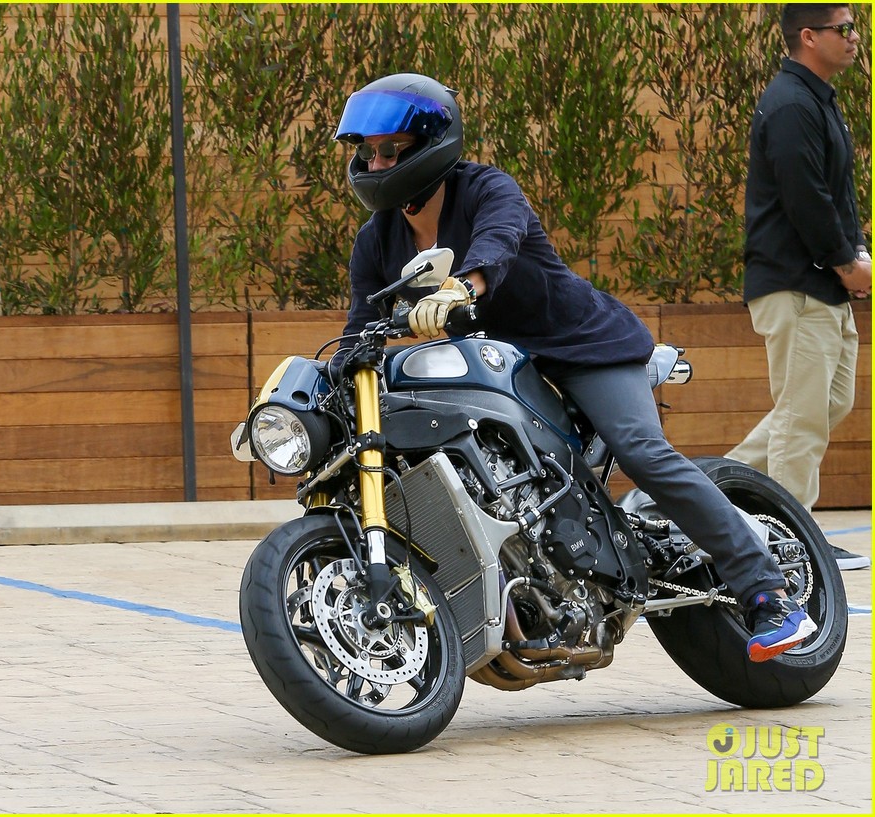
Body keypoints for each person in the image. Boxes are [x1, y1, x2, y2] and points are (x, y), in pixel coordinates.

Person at [332, 72, 815, 662]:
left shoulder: (486, 190)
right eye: (368, 153)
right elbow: (360, 327)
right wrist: (332, 375)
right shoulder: (376, 241)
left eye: (391, 150)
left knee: (642, 452)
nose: (377, 164)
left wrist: (461, 287)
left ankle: (768, 594)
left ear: (432, 146)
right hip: (496, 368)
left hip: (581, 347)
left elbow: (498, 244)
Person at [725, 4, 871, 571]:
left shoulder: (817, 101)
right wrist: (845, 263)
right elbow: (804, 195)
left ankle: (706, 491)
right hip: (796, 283)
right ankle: (795, 541)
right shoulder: (790, 103)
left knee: (825, 404)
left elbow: (837, 194)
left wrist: (855, 254)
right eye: (845, 29)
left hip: (821, 284)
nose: (855, 38)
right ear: (808, 36)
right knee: (803, 417)